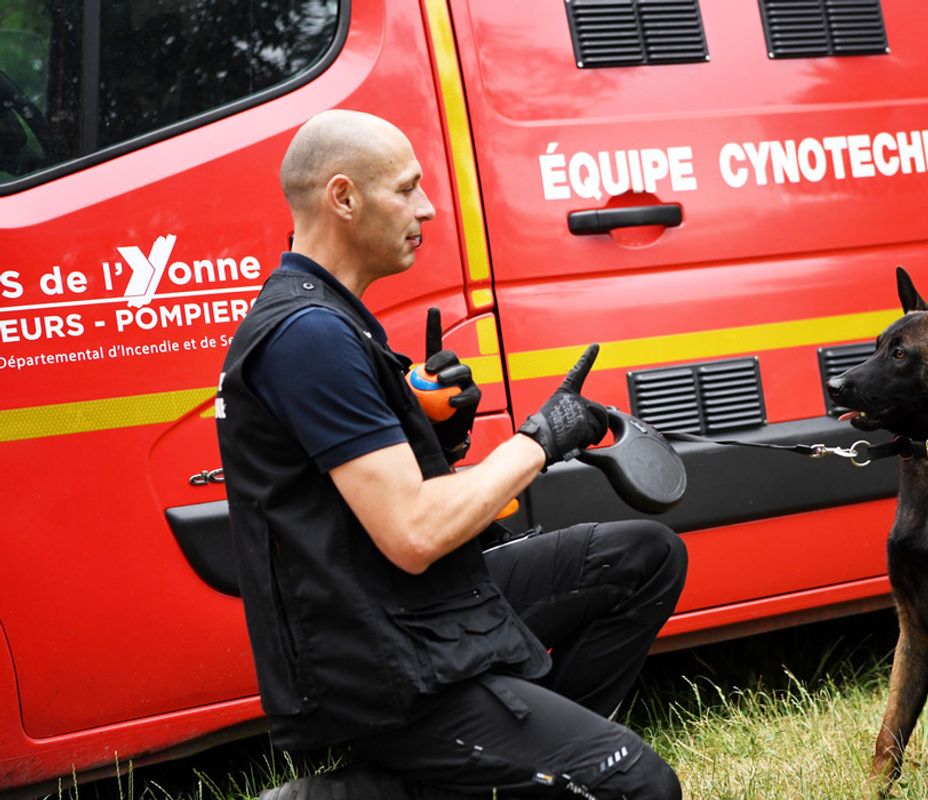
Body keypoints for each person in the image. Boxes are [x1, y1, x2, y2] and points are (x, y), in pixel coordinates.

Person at [214, 109, 688, 799]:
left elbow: (345, 491)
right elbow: (413, 533)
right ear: (342, 198)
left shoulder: (327, 316)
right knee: (641, 786)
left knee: (643, 558)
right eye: (406, 189)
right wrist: (541, 438)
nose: (428, 208)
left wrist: (432, 434)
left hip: (412, 607)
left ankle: (521, 768)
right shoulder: (308, 335)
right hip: (376, 650)